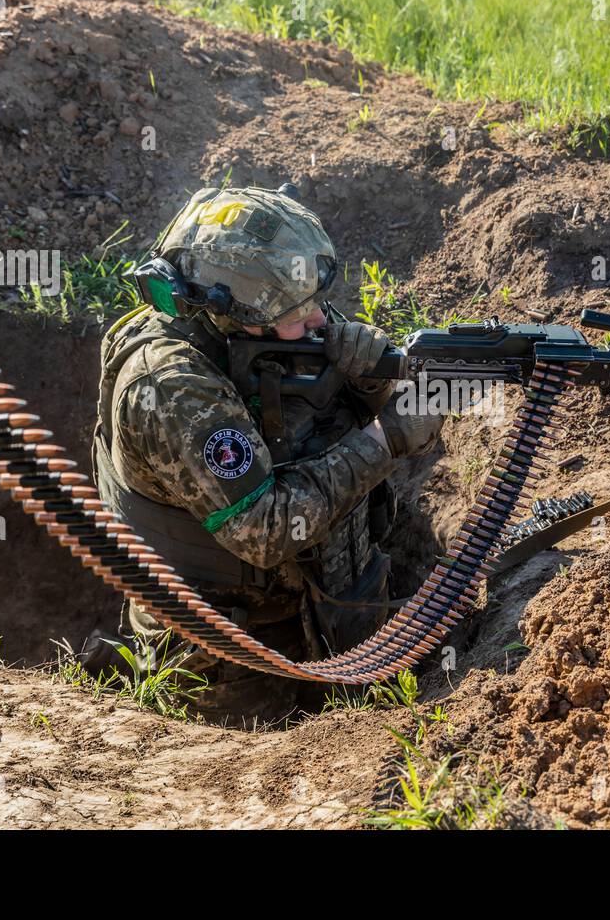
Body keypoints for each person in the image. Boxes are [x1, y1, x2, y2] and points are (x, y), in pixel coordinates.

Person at [92, 185, 443, 722]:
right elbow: (266, 530)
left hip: (335, 607)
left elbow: (325, 415)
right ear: (229, 309)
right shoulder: (170, 386)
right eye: (296, 313)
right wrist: (386, 439)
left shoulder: (272, 320)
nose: (319, 322)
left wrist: (370, 381)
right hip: (229, 658)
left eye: (313, 305)